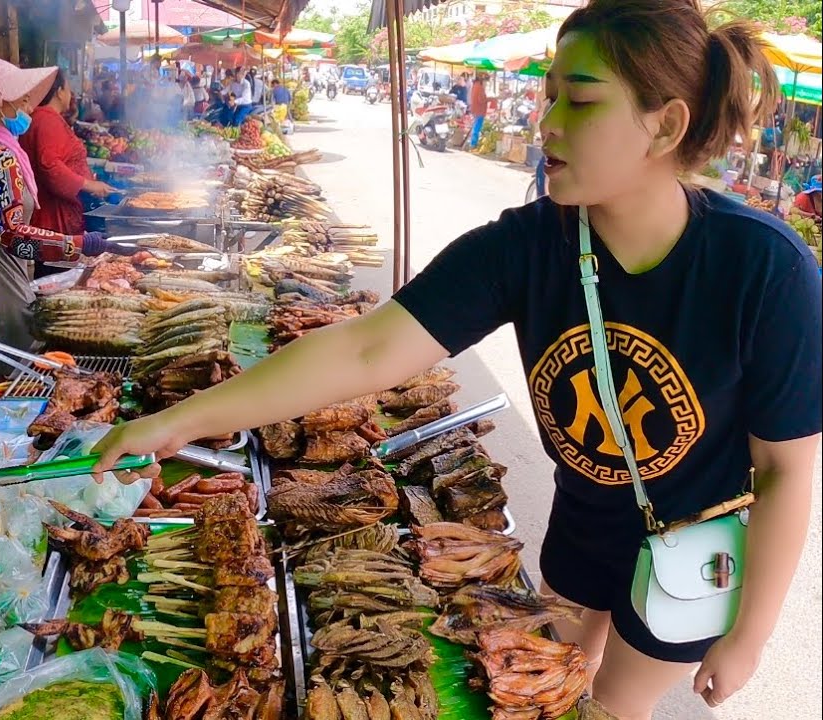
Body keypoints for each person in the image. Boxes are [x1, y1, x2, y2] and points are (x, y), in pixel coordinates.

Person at [94, 2, 821, 719]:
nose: (547, 122)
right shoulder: (527, 245)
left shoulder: (762, 269)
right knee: (552, 685)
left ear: (666, 123)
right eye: (549, 94)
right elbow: (366, 346)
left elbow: (788, 467)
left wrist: (751, 635)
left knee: (612, 706)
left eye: (581, 98)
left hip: (686, 550)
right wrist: (178, 421)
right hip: (581, 521)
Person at [0, 59, 132, 400]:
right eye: (20, 100)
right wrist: (82, 244)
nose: (26, 108)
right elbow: (13, 236)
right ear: (0, 103)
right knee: (7, 377)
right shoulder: (1, 156)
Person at [19, 68, 117, 240]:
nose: (71, 95)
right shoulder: (46, 120)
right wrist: (88, 184)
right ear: (59, 92)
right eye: (69, 89)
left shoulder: (43, 118)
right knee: (57, 266)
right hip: (55, 221)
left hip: (55, 218)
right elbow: (50, 167)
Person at [468, 71, 489, 148]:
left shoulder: (475, 85)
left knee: (475, 127)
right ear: (482, 80)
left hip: (475, 110)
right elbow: (481, 100)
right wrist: (490, 99)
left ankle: (473, 144)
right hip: (479, 110)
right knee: (476, 128)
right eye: (485, 81)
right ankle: (473, 144)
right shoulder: (479, 87)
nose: (486, 83)